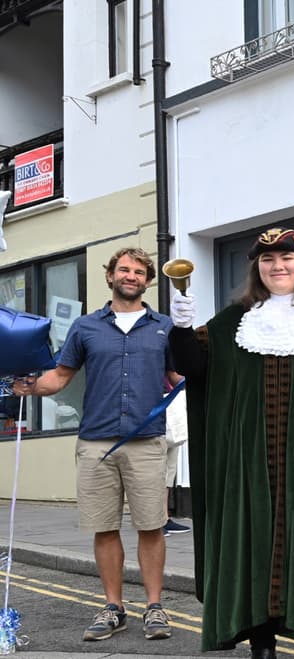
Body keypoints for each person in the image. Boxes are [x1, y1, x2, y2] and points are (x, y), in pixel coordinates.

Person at [168, 228, 294, 659]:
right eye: (267, 259)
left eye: (287, 259)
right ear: (257, 268)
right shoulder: (231, 322)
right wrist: (181, 327)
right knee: (253, 548)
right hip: (245, 465)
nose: (277, 266)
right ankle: (262, 645)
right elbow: (191, 368)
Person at [12, 247, 177, 642]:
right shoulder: (85, 327)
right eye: (124, 269)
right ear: (110, 276)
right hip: (95, 443)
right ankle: (114, 608)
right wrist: (27, 386)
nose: (131, 275)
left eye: (139, 271)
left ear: (149, 281)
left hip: (147, 442)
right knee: (104, 528)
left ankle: (154, 608)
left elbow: (182, 375)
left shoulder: (165, 327)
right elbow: (60, 377)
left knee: (151, 526)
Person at [162, 383, 191, 536]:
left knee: (169, 469)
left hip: (171, 402)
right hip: (157, 404)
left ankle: (164, 517)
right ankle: (155, 520)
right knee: (157, 469)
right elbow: (175, 375)